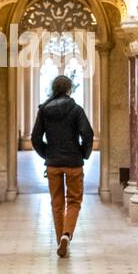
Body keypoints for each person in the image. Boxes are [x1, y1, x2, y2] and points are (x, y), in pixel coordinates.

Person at [31, 74, 94, 258]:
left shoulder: (44, 110)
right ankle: (67, 235)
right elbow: (87, 134)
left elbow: (35, 139)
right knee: (73, 201)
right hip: (74, 163)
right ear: (69, 90)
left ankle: (60, 240)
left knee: (57, 203)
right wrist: (83, 153)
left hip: (53, 164)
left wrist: (48, 154)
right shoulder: (76, 109)